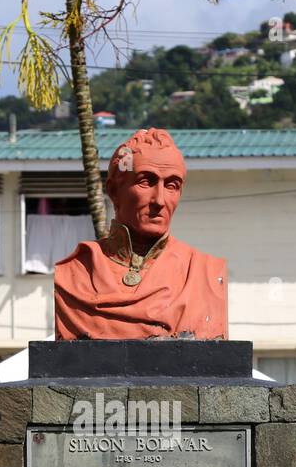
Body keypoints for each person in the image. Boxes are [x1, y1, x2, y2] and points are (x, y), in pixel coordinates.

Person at [53, 128, 228, 340]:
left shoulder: (205, 273)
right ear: (114, 191)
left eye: (172, 185)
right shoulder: (76, 272)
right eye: (146, 182)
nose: (160, 200)